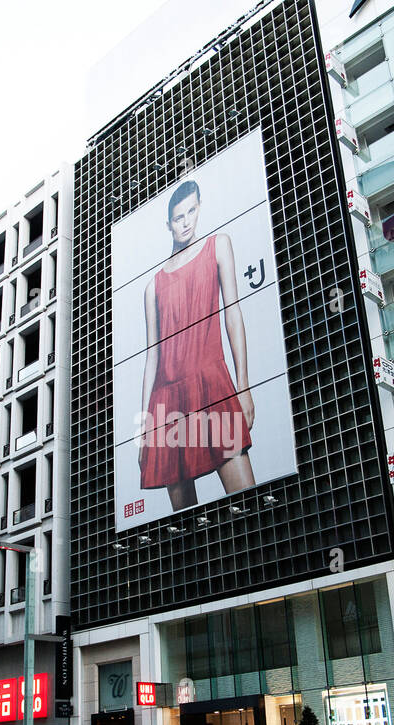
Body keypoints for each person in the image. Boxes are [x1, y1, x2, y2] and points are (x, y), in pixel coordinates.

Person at [138, 180, 256, 510]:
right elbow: (151, 357)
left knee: (250, 505)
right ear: (168, 224)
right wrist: (145, 427)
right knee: (185, 527)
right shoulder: (152, 286)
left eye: (191, 211)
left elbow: (233, 313)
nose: (187, 221)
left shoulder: (218, 245)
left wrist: (244, 386)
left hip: (211, 385)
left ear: (199, 207)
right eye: (179, 217)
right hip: (167, 401)